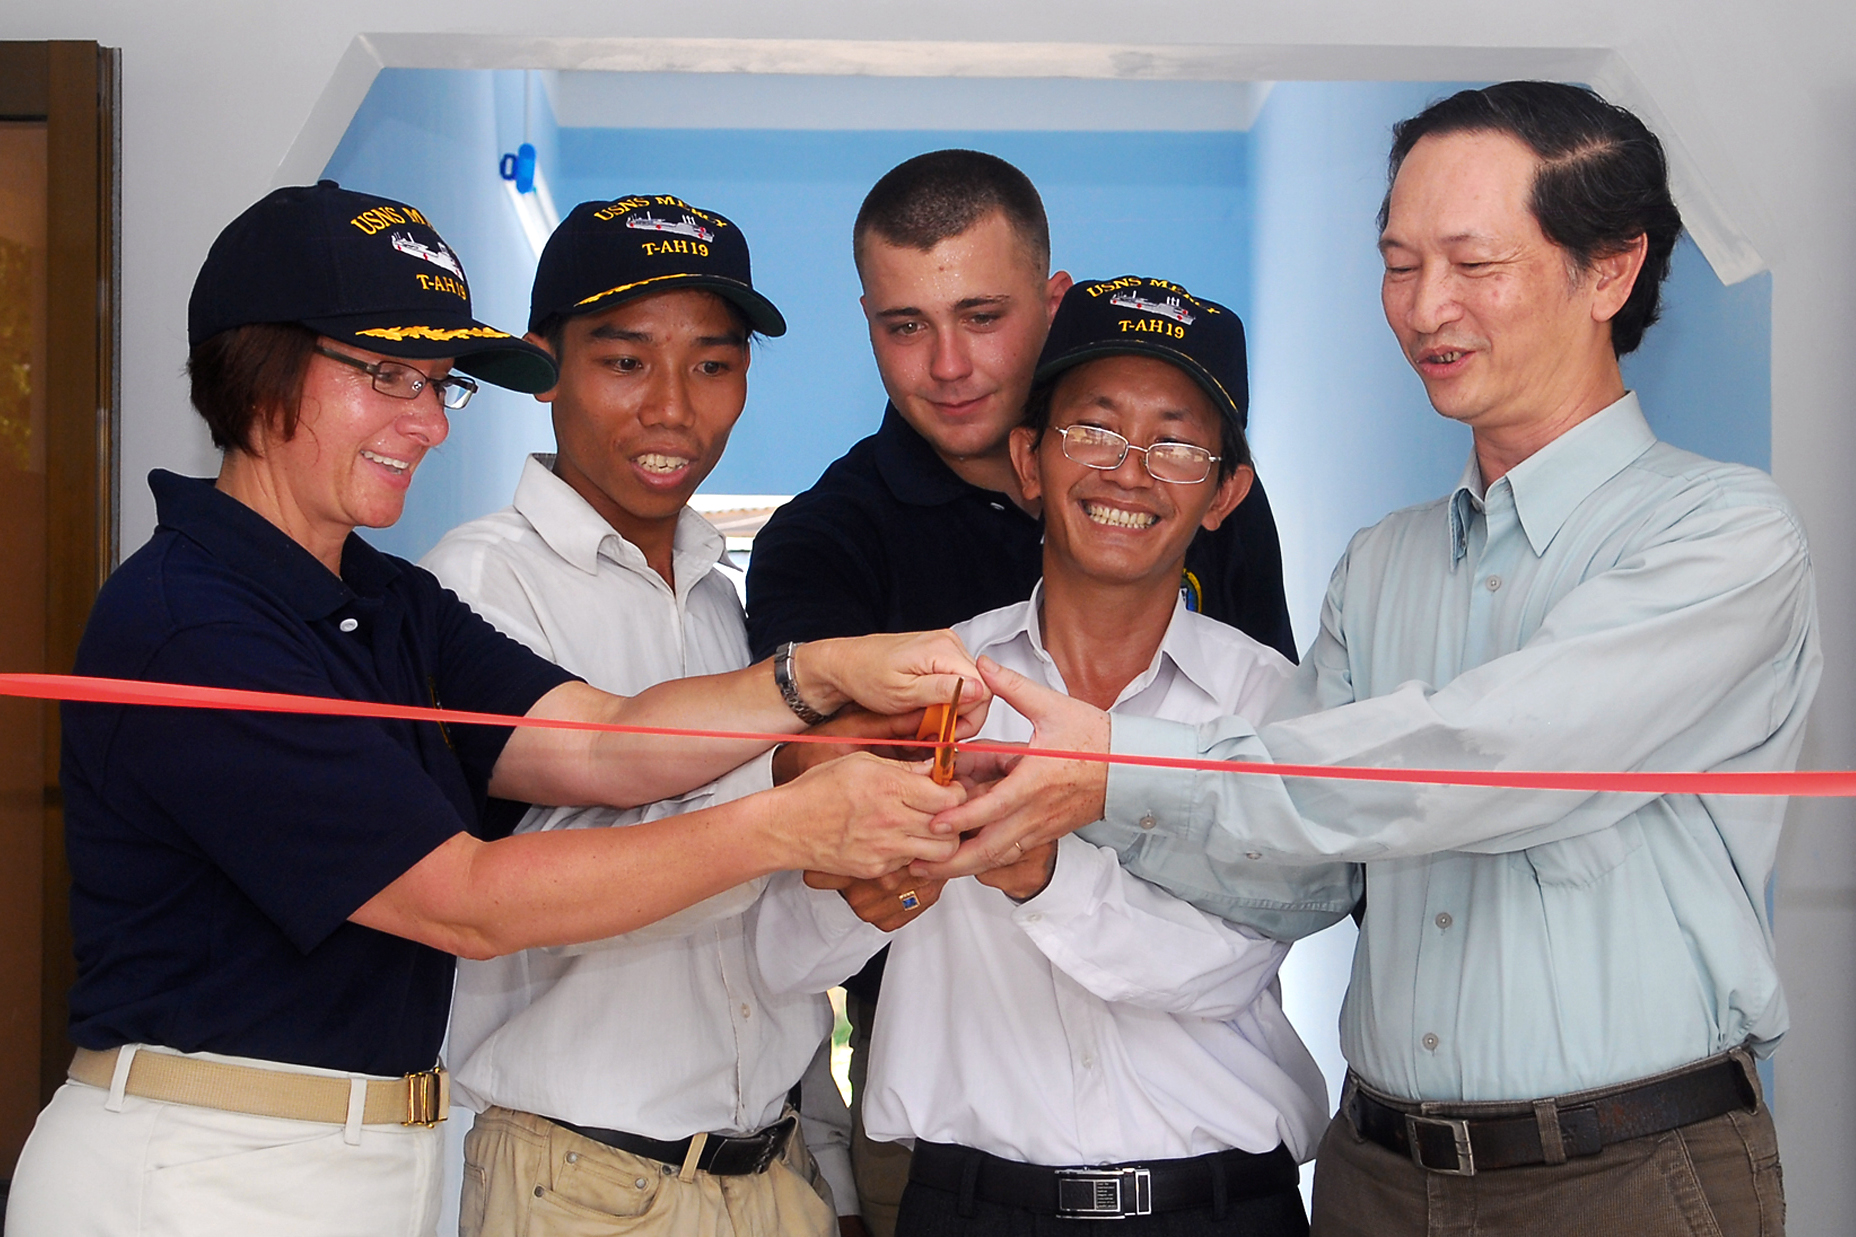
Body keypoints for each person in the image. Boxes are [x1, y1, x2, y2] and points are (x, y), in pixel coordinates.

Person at [4, 181, 981, 1237]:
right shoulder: (194, 623)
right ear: (258, 364)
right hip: (196, 1170)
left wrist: (820, 673)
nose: (427, 421)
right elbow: (463, 900)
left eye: (438, 384)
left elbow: (601, 741)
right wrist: (786, 822)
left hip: (363, 1162)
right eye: (387, 376)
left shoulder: (381, 601)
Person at [922, 83, 1816, 1237]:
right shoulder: (1381, 564)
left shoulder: (1721, 533)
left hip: (1624, 1176)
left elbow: (1493, 755)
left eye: (1468, 262)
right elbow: (1300, 876)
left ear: (1608, 270)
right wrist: (1037, 830)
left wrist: (1113, 766)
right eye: (1398, 263)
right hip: (1375, 1174)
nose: (1422, 308)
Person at [742, 151, 1302, 1237]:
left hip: (1211, 1175)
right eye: (904, 325)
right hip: (962, 1150)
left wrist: (1058, 834)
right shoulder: (833, 547)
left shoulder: (1252, 667)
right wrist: (866, 831)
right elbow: (799, 841)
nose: (946, 364)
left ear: (1221, 492)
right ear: (1032, 459)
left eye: (981, 315)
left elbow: (1266, 858)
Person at [422, 193, 903, 1237]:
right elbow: (545, 883)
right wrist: (793, 787)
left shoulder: (718, 594)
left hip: (768, 1175)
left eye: (713, 364)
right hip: (581, 1184)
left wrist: (859, 882)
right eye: (626, 360)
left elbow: (758, 929)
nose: (673, 407)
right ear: (544, 363)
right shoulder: (472, 588)